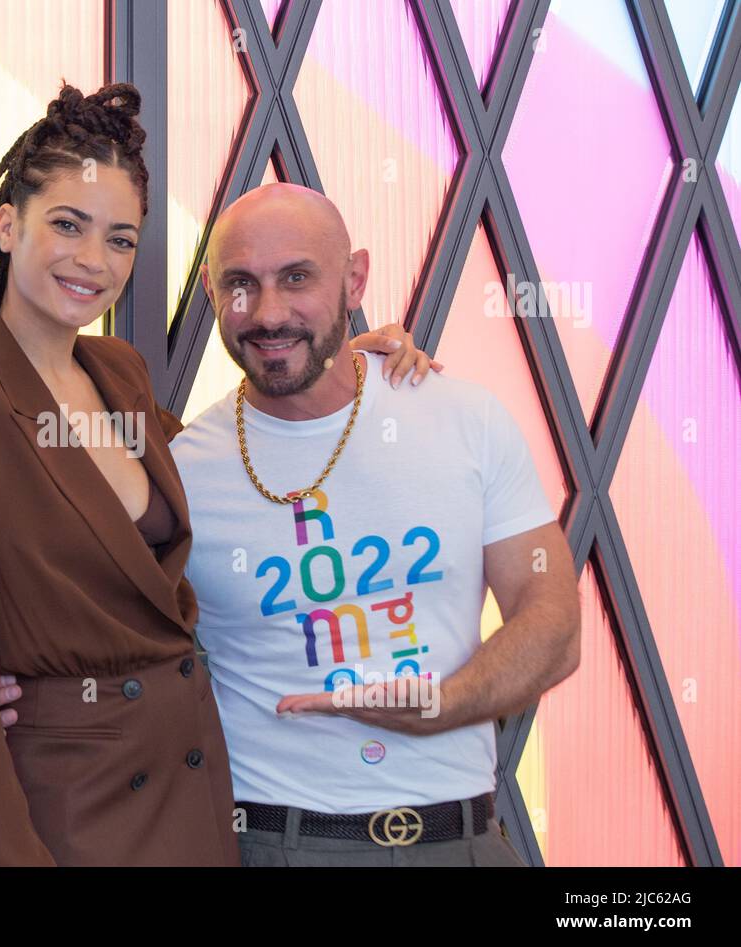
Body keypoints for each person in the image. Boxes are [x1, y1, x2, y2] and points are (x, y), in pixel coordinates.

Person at [0, 83, 436, 865]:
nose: (93, 260)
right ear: (9, 225)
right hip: (74, 810)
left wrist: (338, 360)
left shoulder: (119, 371)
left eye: (120, 238)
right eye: (67, 226)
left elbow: (238, 458)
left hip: (196, 777)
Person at [169, 183, 581, 866]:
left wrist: (442, 704)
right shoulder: (181, 472)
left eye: (297, 277)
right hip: (273, 844)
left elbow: (554, 624)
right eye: (242, 284)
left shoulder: (462, 419)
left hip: (460, 843)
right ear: (212, 290)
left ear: (354, 277)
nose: (269, 313)